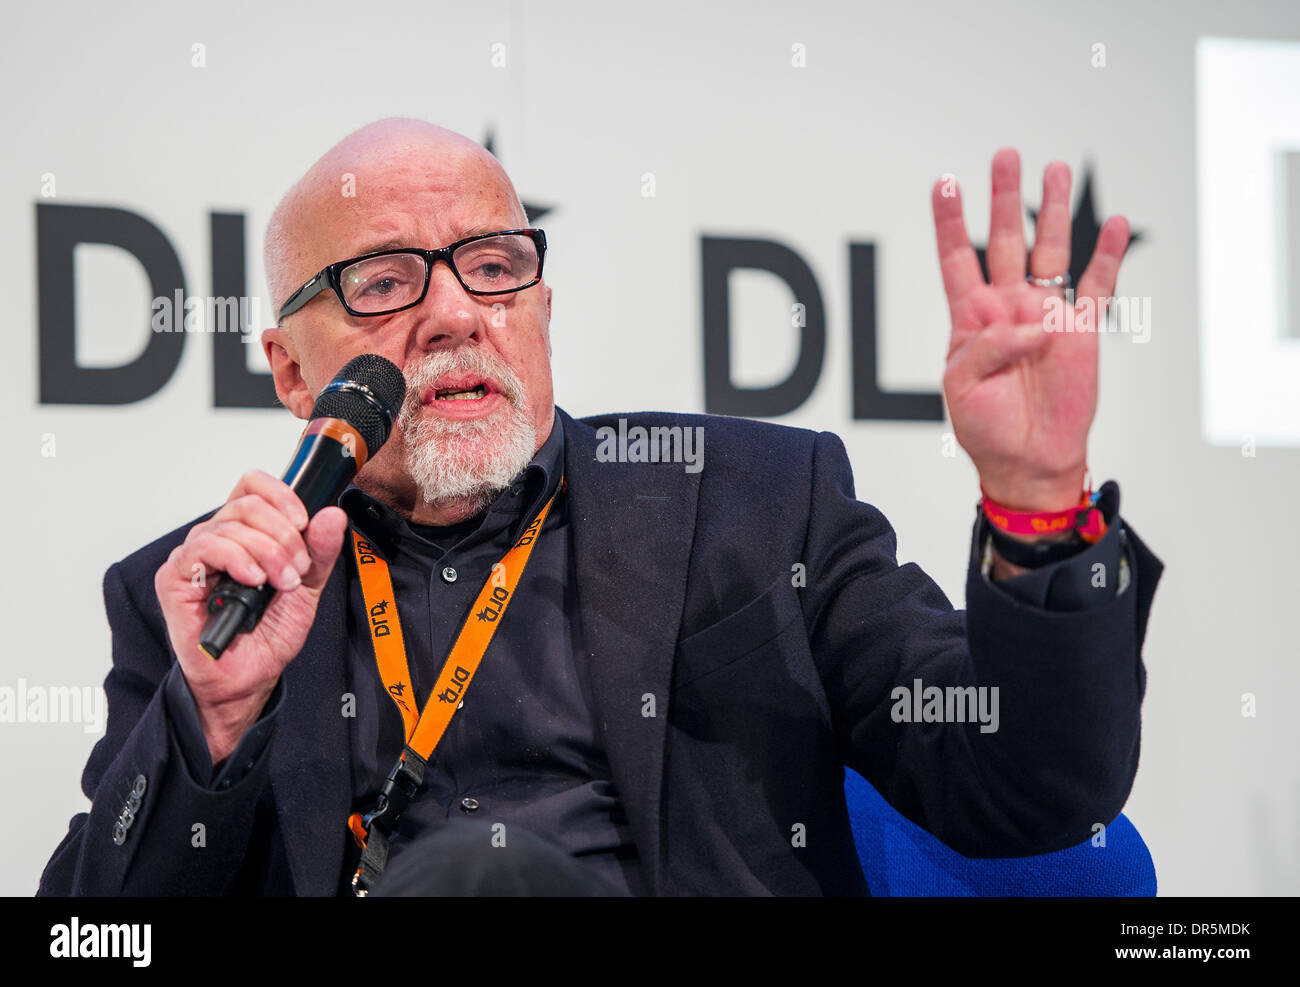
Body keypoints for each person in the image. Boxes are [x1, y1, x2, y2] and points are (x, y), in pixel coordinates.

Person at [38, 118, 1162, 897]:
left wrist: (1036, 506)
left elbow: (1031, 791)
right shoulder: (204, 599)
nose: (451, 315)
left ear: (538, 304)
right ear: (291, 373)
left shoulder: (757, 511)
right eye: (381, 283)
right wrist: (213, 720)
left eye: (491, 264)